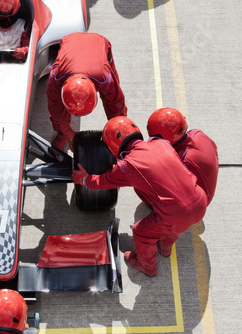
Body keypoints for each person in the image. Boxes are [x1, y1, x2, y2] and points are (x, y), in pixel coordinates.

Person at [72, 116, 207, 276]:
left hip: (176, 215)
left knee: (141, 233)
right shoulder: (161, 143)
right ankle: (165, 247)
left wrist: (83, 178)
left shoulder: (127, 166)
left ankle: (148, 267)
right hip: (200, 201)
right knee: (173, 218)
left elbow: (100, 182)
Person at [46, 32, 127, 150]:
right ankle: (61, 135)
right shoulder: (56, 77)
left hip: (99, 42)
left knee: (113, 91)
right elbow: (55, 109)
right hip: (70, 41)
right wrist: (67, 132)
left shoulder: (105, 79)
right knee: (56, 116)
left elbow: (116, 104)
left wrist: (119, 131)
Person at [147, 107, 218, 205]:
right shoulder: (197, 134)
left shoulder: (181, 161)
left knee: (143, 184)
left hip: (197, 203)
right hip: (205, 191)